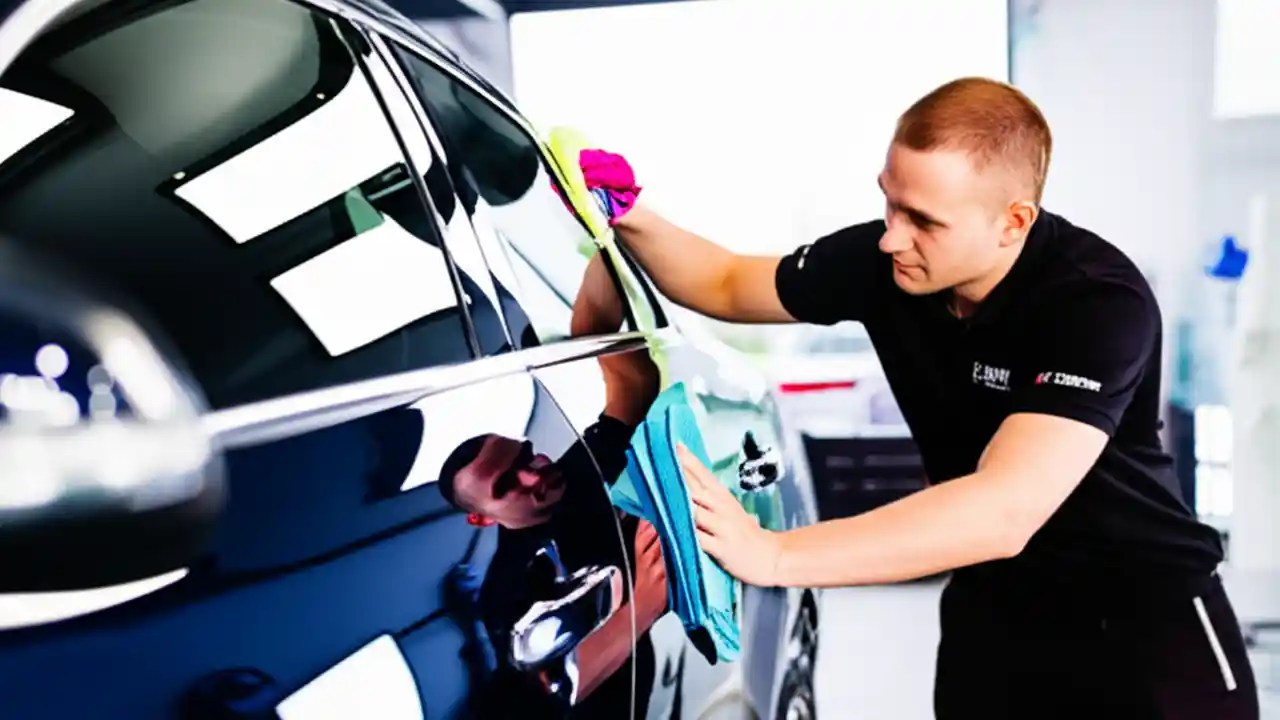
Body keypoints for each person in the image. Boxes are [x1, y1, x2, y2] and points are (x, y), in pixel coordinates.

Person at [581, 76, 1260, 719]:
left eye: (923, 220)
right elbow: (726, 281)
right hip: (994, 611)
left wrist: (776, 554)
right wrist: (627, 211)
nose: (890, 236)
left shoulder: (1095, 302)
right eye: (889, 201)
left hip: (1140, 625)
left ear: (1012, 222)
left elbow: (1005, 508)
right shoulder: (888, 265)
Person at [436, 251, 668, 717]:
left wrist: (607, 235)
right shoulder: (509, 588)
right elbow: (548, 693)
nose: (533, 474)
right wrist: (644, 603)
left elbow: (634, 386)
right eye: (507, 485)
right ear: (482, 518)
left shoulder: (577, 476)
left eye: (526, 455)